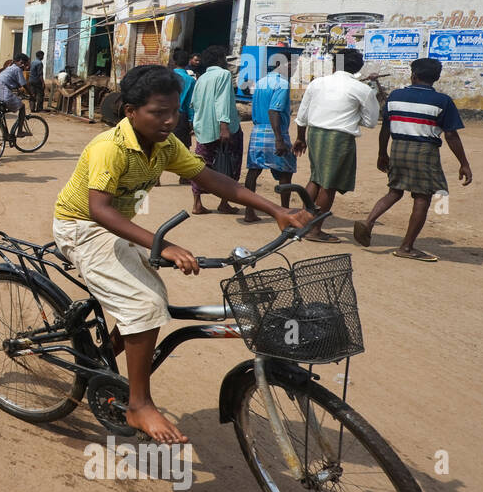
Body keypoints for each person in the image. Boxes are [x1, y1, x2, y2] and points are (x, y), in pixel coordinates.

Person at [53, 65, 310, 443]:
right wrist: (164, 245)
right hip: (82, 227)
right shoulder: (110, 147)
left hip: (115, 226)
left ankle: (102, 356)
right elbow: (99, 210)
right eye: (159, 113)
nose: (171, 120)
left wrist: (276, 209)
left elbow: (210, 178)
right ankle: (139, 404)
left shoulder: (165, 144)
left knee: (150, 294)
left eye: (174, 111)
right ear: (130, 112)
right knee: (145, 304)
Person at [354, 58, 473, 261]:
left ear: (413, 75)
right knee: (423, 197)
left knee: (394, 191)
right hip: (425, 152)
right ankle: (407, 247)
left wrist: (382, 153)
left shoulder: (396, 97)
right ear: (436, 78)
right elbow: (451, 135)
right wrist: (464, 163)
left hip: (399, 148)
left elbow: (386, 128)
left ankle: (369, 221)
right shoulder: (443, 101)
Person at [293, 48, 377, 242]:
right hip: (338, 138)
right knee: (328, 185)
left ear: (334, 64)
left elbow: (302, 115)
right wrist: (352, 117)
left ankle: (301, 221)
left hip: (314, 133)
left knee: (316, 178)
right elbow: (371, 121)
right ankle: (314, 230)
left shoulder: (318, 83)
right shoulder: (362, 89)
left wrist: (300, 138)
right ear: (358, 68)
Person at [242, 54, 296, 223]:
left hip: (257, 131)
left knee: (253, 171)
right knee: (286, 172)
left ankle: (249, 211)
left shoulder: (261, 82)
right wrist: (279, 138)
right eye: (291, 66)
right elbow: (274, 110)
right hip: (275, 131)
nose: (293, 70)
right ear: (283, 66)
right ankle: (285, 212)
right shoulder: (282, 83)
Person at [189, 45, 243, 215]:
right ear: (220, 60)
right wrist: (224, 126)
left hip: (203, 128)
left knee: (201, 166)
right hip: (224, 128)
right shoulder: (224, 74)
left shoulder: (202, 78)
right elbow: (222, 101)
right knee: (230, 162)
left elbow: (194, 103)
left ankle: (197, 203)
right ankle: (224, 202)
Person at [169, 48, 195, 151]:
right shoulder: (191, 80)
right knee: (181, 149)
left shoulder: (166, 76)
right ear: (188, 62)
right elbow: (191, 103)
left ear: (174, 62)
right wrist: (191, 120)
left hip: (163, 115)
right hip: (181, 118)